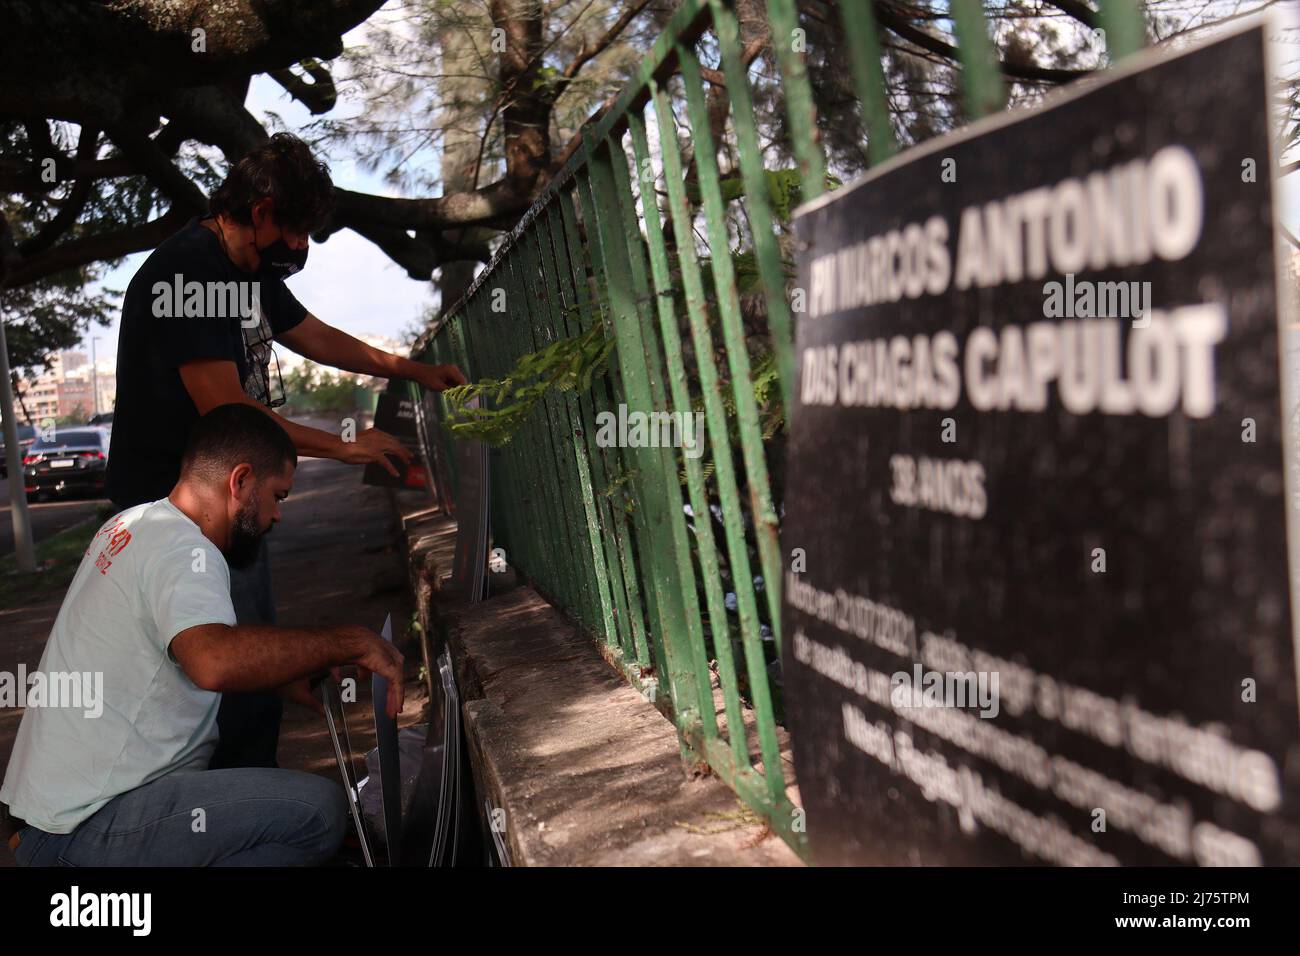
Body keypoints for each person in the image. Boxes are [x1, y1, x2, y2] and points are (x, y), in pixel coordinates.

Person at [105, 132, 464, 770]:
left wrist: (412, 369)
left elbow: (314, 336)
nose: (300, 248)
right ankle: (229, 811)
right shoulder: (190, 269)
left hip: (229, 500)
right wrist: (345, 445)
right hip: (171, 513)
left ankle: (247, 798)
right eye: (296, 231)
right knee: (217, 672)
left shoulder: (250, 271)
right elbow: (227, 407)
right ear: (262, 210)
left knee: (251, 661)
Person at [0, 404, 404, 866]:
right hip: (83, 829)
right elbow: (212, 660)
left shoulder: (134, 524)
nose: (277, 516)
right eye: (279, 496)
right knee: (318, 812)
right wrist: (350, 640)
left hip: (47, 823)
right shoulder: (184, 547)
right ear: (240, 481)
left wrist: (279, 676)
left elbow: (163, 653)